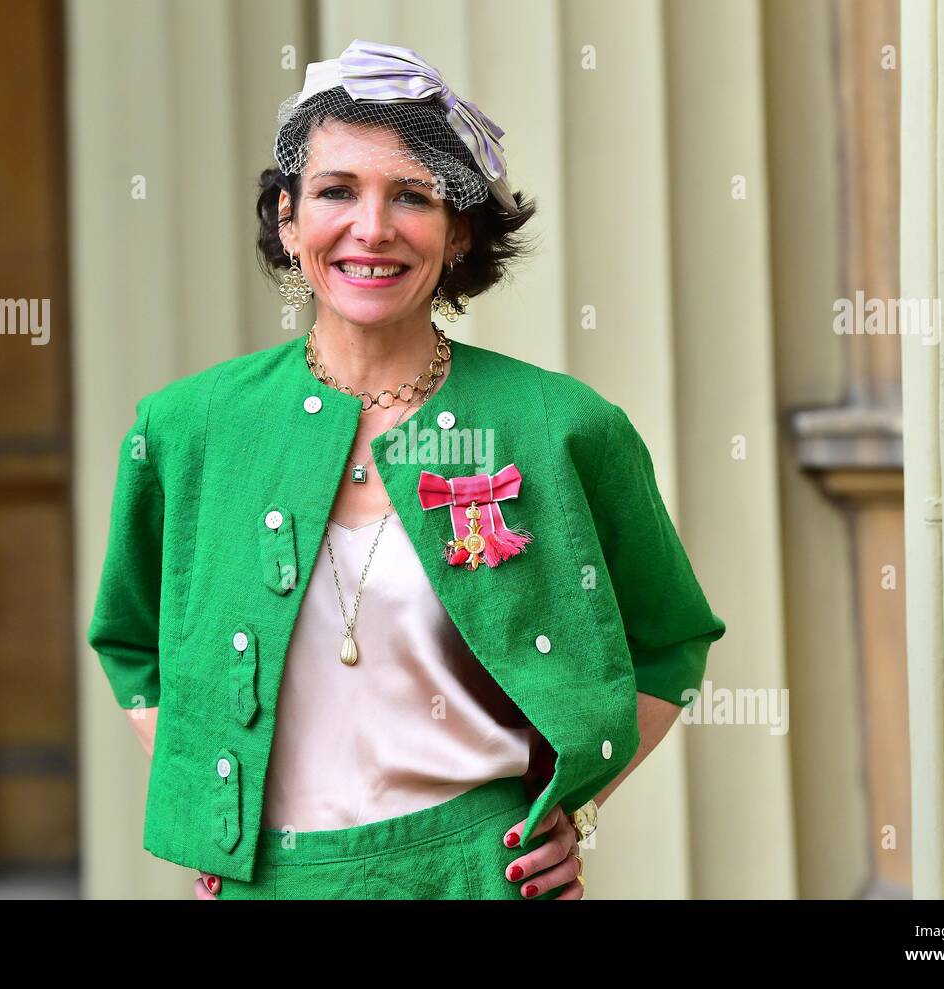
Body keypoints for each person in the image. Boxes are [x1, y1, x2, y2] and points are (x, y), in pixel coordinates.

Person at [87, 38, 726, 901]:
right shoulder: (186, 428)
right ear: (287, 216)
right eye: (336, 191)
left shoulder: (563, 426)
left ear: (459, 229)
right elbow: (130, 639)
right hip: (270, 882)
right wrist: (212, 803)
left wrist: (574, 812)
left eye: (412, 197)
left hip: (485, 873)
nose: (372, 228)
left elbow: (670, 638)